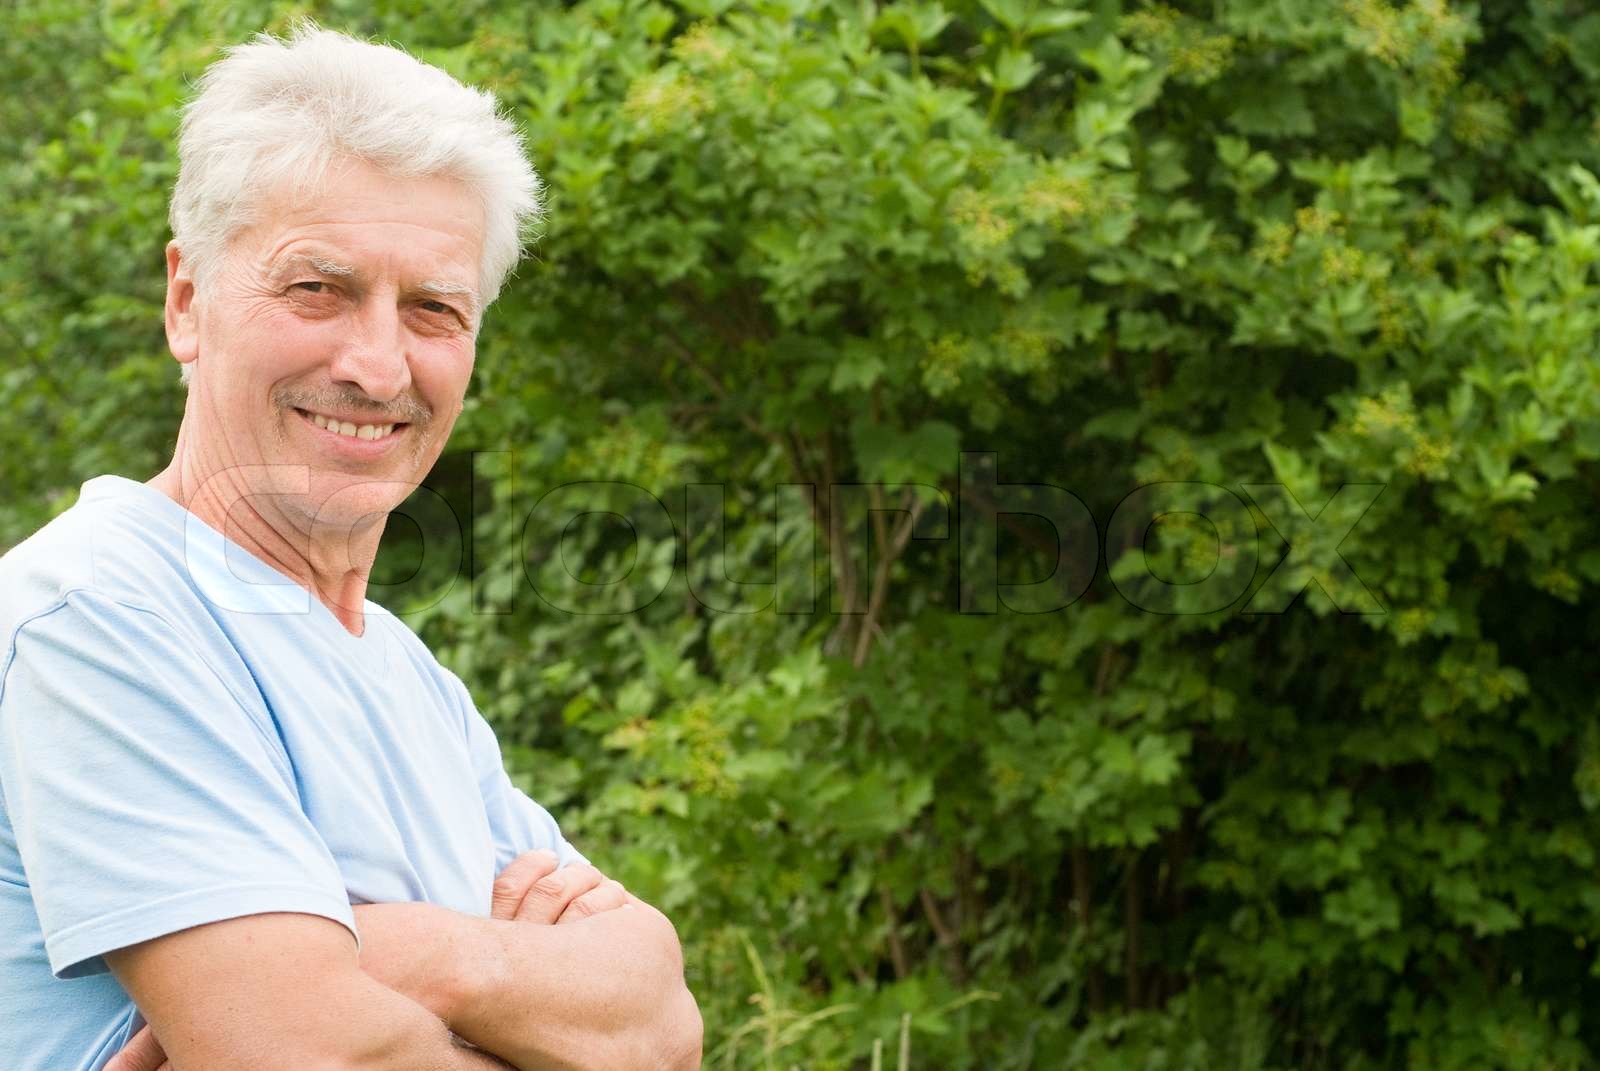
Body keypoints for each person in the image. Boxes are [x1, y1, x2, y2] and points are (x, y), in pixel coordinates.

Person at [0, 23, 702, 1071]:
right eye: (316, 289)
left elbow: (661, 1026)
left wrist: (423, 956)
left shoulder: (414, 684)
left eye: (433, 309)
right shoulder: (97, 616)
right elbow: (316, 1059)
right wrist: (508, 1001)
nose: (378, 368)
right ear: (187, 301)